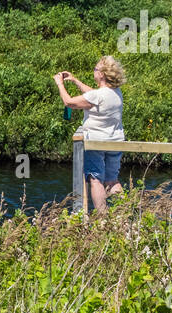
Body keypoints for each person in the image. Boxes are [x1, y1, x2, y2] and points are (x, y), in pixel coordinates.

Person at [54, 56, 126, 213]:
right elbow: (93, 94)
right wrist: (74, 80)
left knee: (95, 179)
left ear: (102, 74)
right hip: (115, 142)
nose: (93, 71)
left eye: (95, 69)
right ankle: (125, 213)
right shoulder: (115, 92)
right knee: (112, 181)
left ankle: (102, 218)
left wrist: (60, 84)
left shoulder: (98, 96)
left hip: (96, 142)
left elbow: (69, 102)